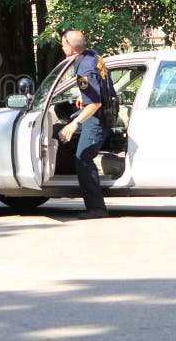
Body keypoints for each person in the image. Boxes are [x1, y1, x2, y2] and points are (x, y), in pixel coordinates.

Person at [59, 30, 110, 219]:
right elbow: (100, 84)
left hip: (96, 116)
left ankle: (97, 208)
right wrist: (83, 95)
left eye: (63, 44)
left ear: (71, 48)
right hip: (97, 110)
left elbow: (96, 103)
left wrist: (75, 123)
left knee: (83, 159)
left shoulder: (84, 70)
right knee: (60, 134)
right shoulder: (92, 54)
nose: (61, 47)